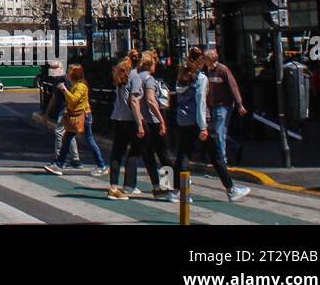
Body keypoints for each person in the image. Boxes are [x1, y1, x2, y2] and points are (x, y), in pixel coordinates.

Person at [173, 55, 250, 203]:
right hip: (198, 122)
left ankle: (177, 191)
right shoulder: (200, 79)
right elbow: (201, 103)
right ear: (200, 65)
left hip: (184, 121)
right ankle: (231, 190)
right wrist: (203, 127)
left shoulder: (181, 77)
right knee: (215, 155)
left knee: (183, 154)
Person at [106, 53, 158, 200]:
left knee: (118, 152)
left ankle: (114, 187)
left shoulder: (121, 75)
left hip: (117, 117)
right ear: (140, 63)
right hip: (131, 119)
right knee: (147, 151)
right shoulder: (134, 77)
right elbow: (134, 101)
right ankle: (157, 186)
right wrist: (140, 124)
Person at [44, 64, 106, 175]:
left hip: (83, 117)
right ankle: (59, 164)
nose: (67, 74)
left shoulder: (80, 86)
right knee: (67, 139)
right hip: (76, 116)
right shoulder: (75, 85)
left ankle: (101, 165)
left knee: (89, 140)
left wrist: (64, 90)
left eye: (69, 72)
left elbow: (74, 100)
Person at [137, 51, 177, 201]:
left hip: (140, 121)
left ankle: (156, 187)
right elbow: (151, 100)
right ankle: (168, 188)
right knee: (163, 154)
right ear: (151, 65)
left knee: (148, 155)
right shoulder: (149, 79)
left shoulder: (134, 78)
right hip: (153, 121)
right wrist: (162, 120)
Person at [203, 49, 247, 166]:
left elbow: (233, 87)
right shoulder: (208, 71)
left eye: (205, 59)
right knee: (215, 131)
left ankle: (221, 159)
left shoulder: (223, 70)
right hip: (212, 106)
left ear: (210, 60)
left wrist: (239, 104)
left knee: (219, 132)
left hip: (224, 106)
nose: (203, 61)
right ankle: (235, 147)